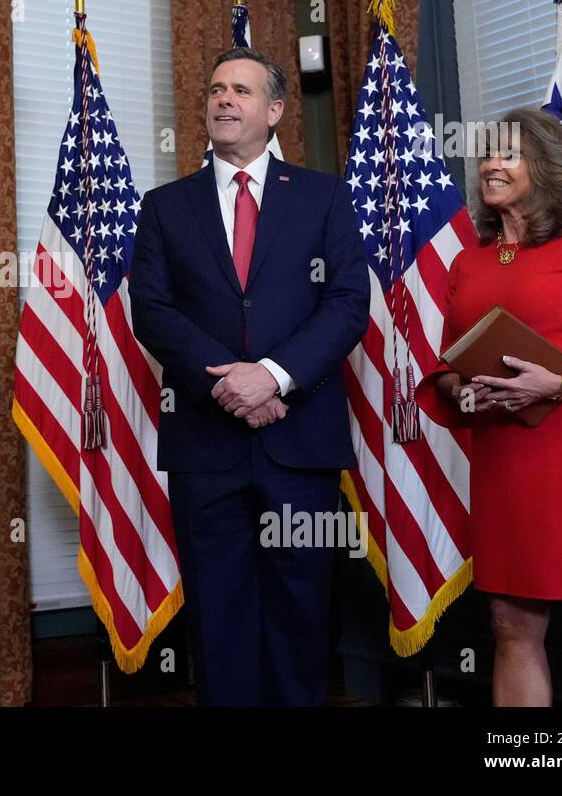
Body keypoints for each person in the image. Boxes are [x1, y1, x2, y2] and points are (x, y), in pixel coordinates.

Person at [128, 47, 369, 705]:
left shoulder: (323, 196)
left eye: (240, 89)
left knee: (302, 614)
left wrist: (273, 375)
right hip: (207, 444)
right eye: (215, 90)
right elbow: (150, 310)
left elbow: (348, 303)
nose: (224, 99)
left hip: (301, 440)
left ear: (275, 109)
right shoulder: (165, 206)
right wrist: (228, 385)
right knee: (219, 615)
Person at [417, 107, 562, 707]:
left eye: (508, 155)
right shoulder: (468, 262)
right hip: (502, 461)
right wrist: (459, 389)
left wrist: (554, 385)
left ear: (547, 169)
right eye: (486, 156)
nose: (490, 165)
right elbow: (449, 361)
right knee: (509, 626)